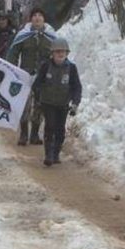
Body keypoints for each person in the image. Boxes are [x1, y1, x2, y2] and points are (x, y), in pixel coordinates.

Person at [6, 6, 57, 145]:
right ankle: (23, 133)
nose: (37, 18)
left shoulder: (52, 37)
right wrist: (13, 70)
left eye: (40, 15)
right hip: (25, 74)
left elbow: (58, 56)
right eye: (35, 15)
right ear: (31, 19)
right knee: (24, 104)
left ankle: (35, 133)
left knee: (40, 105)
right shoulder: (23, 35)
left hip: (44, 76)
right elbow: (13, 53)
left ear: (44, 19)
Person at [32, 37, 82, 166]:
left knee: (60, 129)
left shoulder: (71, 68)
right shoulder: (45, 66)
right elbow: (37, 84)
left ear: (67, 53)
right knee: (50, 126)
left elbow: (77, 87)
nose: (60, 54)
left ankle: (56, 153)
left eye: (63, 51)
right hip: (47, 103)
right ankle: (48, 154)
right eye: (57, 51)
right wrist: (38, 98)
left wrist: (75, 103)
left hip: (63, 103)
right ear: (52, 53)